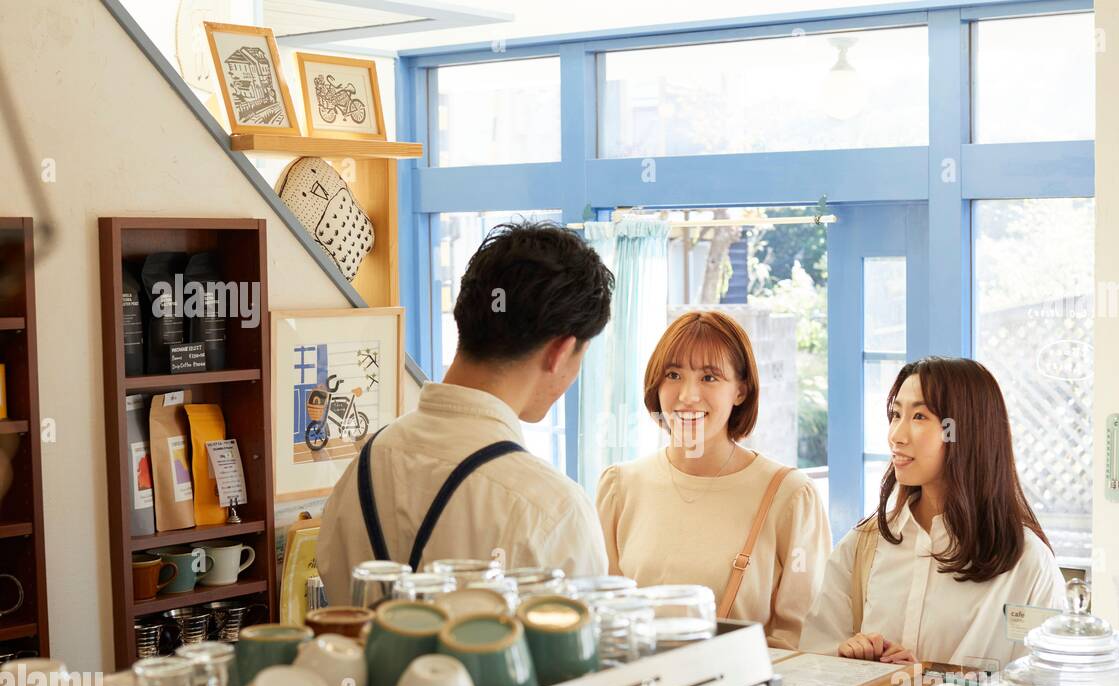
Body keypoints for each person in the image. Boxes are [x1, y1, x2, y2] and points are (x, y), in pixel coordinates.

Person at [317, 221, 613, 604]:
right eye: (581, 357)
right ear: (560, 352)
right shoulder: (552, 510)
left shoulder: (368, 461)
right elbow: (579, 659)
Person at [801, 356, 1067, 666]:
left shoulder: (1028, 563)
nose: (896, 435)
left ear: (965, 430)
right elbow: (814, 662)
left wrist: (928, 681)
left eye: (919, 417)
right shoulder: (864, 545)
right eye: (895, 414)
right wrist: (849, 660)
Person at [596, 310, 831, 649]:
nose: (688, 395)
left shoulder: (789, 495)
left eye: (709, 378)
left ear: (740, 391)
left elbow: (803, 639)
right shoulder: (620, 486)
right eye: (673, 374)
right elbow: (605, 620)